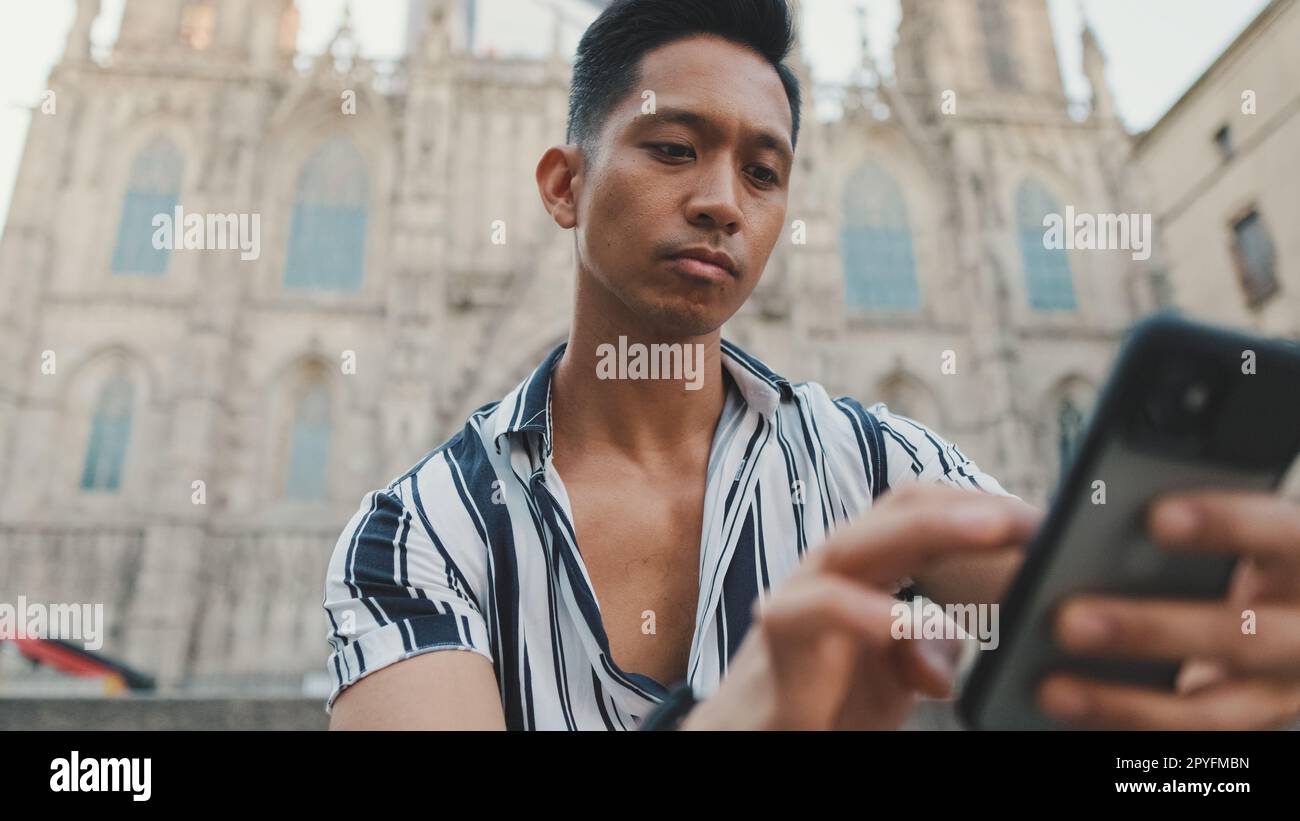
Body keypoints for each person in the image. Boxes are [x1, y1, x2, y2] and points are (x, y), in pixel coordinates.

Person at [323, 0, 1300, 731]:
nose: (721, 201)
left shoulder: (880, 470)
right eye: (671, 148)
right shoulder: (412, 536)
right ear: (564, 185)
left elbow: (1116, 636)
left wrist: (1226, 644)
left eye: (763, 172)